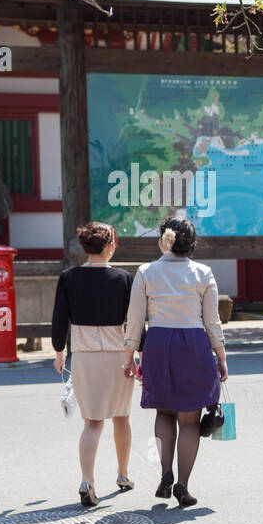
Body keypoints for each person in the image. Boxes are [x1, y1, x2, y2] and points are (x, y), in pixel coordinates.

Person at [123, 217, 228, 508]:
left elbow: (134, 320)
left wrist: (129, 354)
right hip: (193, 346)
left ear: (163, 241)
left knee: (164, 413)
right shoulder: (203, 273)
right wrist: (221, 356)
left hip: (157, 345)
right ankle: (183, 485)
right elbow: (212, 321)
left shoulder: (146, 272)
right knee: (190, 421)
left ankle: (165, 472)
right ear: (191, 243)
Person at [51, 222, 136, 506]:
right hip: (117, 355)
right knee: (121, 417)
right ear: (110, 245)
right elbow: (135, 323)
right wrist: (139, 356)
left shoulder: (69, 277)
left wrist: (59, 352)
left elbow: (60, 318)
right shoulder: (123, 278)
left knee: (92, 422)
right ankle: (123, 474)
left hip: (84, 356)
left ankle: (87, 481)